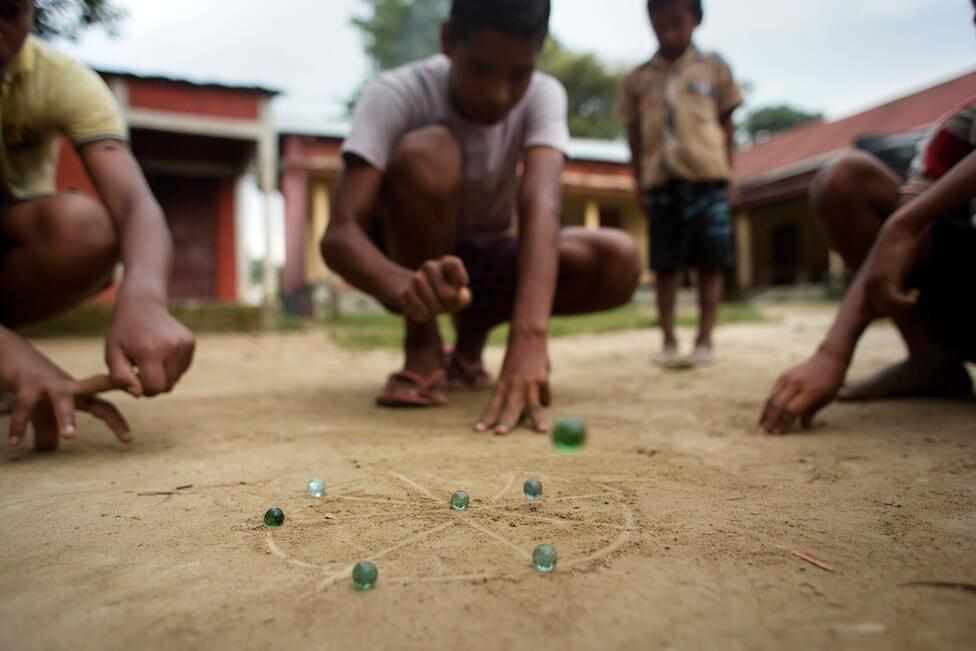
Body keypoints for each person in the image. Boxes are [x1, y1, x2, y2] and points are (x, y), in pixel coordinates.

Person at [322, 0, 641, 435]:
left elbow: (541, 206)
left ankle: (469, 344)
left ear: (538, 54)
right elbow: (339, 234)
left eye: (518, 75)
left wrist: (530, 338)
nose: (499, 95)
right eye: (479, 69)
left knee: (619, 259)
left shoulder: (545, 95)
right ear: (449, 41)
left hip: (489, 259)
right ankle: (424, 344)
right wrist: (406, 287)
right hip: (407, 260)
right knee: (429, 153)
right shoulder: (394, 94)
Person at [0, 1, 195, 450]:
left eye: (10, 10)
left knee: (83, 228)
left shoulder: (58, 78)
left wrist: (144, 296)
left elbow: (135, 205)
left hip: (9, 234)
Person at [759, 94, 976, 434]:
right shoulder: (957, 130)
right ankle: (930, 358)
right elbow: (895, 246)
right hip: (960, 300)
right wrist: (832, 353)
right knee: (844, 177)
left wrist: (903, 223)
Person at [619, 0, 742, 367]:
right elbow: (634, 135)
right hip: (660, 179)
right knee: (665, 264)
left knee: (709, 261)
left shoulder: (714, 69)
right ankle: (668, 339)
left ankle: (705, 338)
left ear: (695, 19)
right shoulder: (638, 78)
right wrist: (638, 182)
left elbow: (728, 125)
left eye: (676, 22)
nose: (668, 31)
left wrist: (730, 175)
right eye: (659, 24)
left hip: (707, 177)